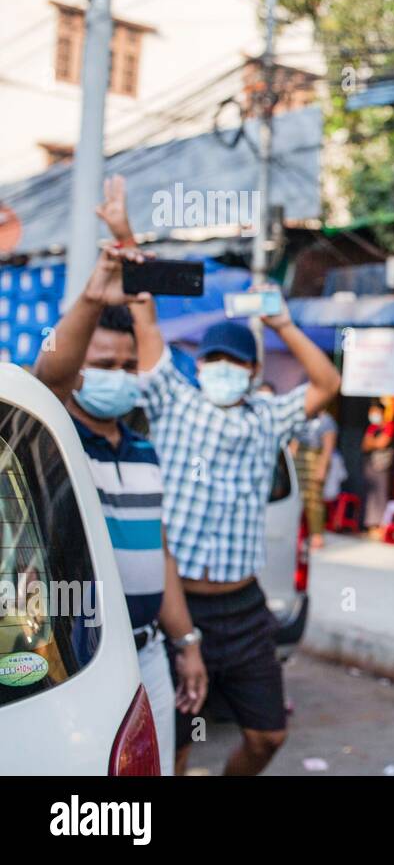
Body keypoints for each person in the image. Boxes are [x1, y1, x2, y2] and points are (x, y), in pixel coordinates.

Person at [95, 177, 342, 776]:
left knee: (267, 736)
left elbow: (328, 386)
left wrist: (282, 323)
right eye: (215, 360)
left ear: (254, 371)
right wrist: (125, 236)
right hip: (181, 610)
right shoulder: (173, 400)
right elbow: (144, 310)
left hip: (244, 607)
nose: (224, 369)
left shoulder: (268, 415)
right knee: (174, 746)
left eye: (236, 362)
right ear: (200, 365)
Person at [32, 237, 208, 776]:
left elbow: (158, 551)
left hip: (150, 650)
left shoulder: (143, 450)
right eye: (103, 363)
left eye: (128, 366)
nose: (119, 376)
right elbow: (48, 379)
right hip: (81, 657)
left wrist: (187, 643)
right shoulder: (53, 436)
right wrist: (91, 296)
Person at [291, 408, 337, 550]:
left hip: (315, 459)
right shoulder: (302, 417)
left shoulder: (326, 421)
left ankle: (317, 536)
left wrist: (322, 467)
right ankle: (299, 534)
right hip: (299, 459)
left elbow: (328, 447)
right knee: (298, 498)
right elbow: (294, 442)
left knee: (314, 499)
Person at [361, 400, 394, 537]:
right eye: (371, 412)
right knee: (370, 496)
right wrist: (374, 442)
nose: (373, 414)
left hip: (382, 466)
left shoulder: (389, 426)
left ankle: (381, 525)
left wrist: (373, 443)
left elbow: (382, 443)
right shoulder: (371, 428)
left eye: (375, 411)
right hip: (370, 465)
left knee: (381, 494)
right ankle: (371, 524)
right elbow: (364, 445)